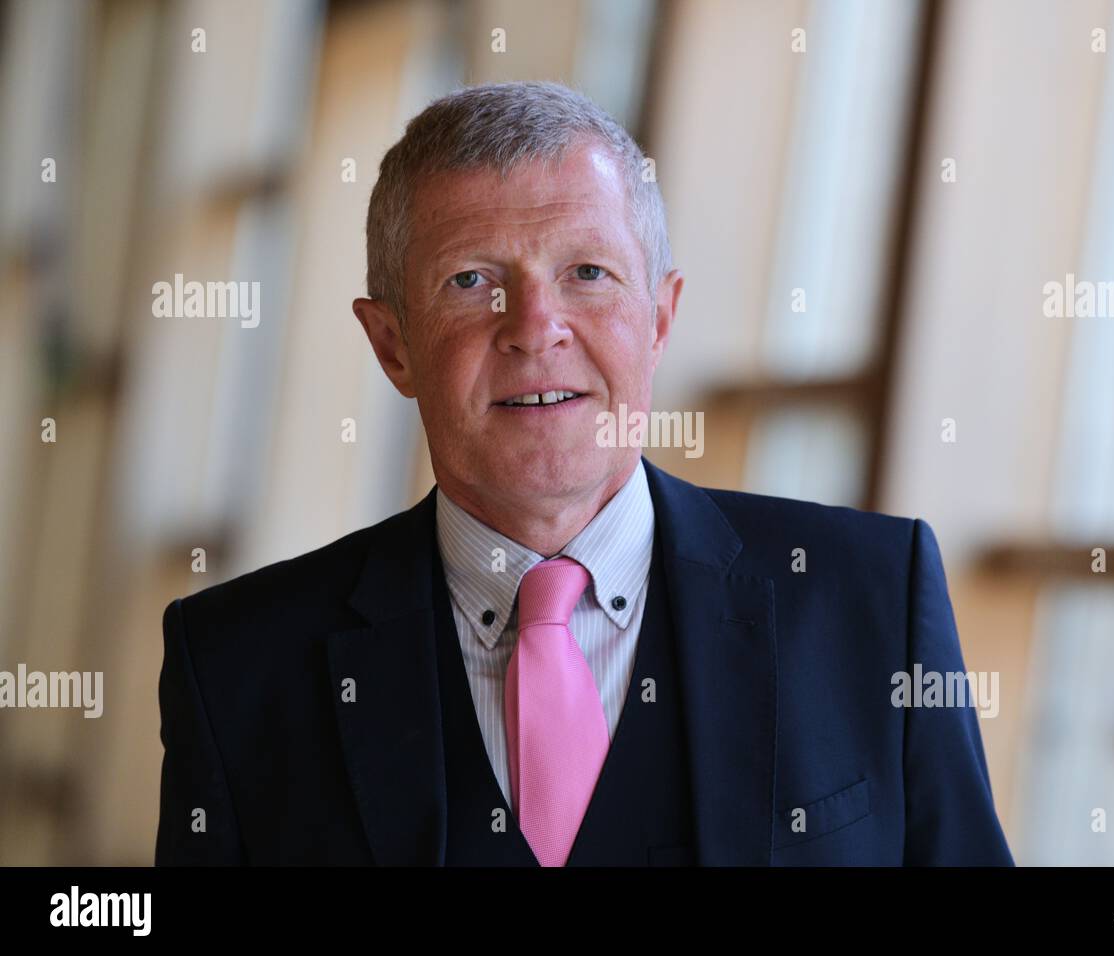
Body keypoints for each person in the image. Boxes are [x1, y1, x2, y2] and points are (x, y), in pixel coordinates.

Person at [155, 81, 1013, 866]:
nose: (535, 328)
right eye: (471, 281)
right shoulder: (237, 668)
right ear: (393, 345)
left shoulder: (870, 598)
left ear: (661, 317)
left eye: (588, 273)